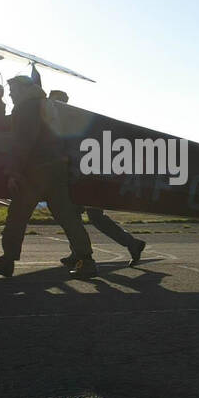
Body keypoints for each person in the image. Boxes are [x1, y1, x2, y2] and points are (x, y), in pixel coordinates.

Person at [0, 76, 96, 278]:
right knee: (67, 217)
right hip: (56, 170)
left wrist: (14, 172)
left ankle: (7, 261)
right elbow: (18, 125)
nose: (10, 94)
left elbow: (23, 141)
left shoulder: (26, 108)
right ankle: (86, 260)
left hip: (35, 172)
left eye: (13, 90)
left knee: (16, 217)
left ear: (23, 90)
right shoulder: (43, 105)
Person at [48, 89, 147, 266]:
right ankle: (130, 244)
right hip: (89, 178)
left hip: (91, 179)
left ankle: (84, 253)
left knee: (78, 216)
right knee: (89, 217)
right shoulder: (74, 122)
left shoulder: (70, 125)